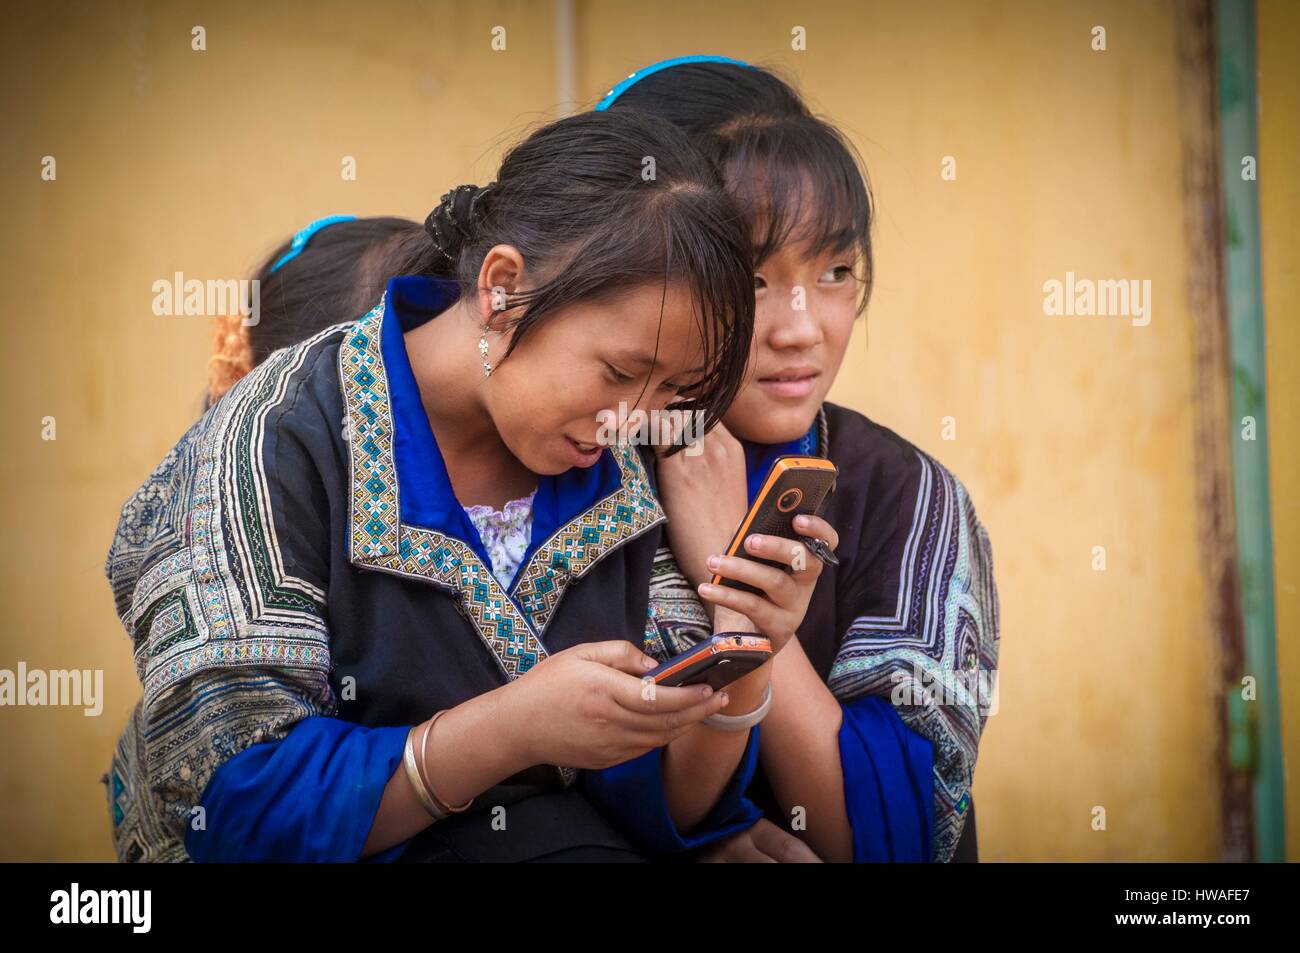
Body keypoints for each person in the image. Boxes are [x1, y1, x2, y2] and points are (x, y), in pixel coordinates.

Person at [104, 109, 803, 862]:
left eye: (672, 389)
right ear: (502, 290)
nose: (629, 421)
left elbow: (664, 806)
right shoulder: (277, 439)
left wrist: (744, 650)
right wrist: (506, 729)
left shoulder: (624, 471)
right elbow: (233, 803)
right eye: (621, 372)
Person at [600, 56, 1001, 863]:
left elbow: (886, 836)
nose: (802, 327)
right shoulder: (573, 464)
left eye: (836, 272)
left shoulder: (907, 501)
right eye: (750, 278)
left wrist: (737, 589)